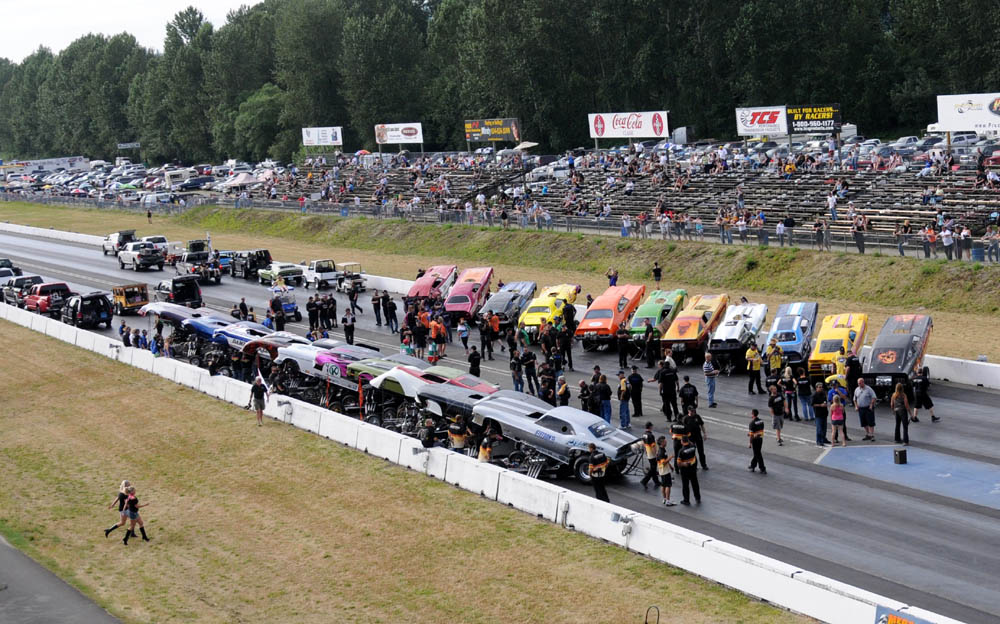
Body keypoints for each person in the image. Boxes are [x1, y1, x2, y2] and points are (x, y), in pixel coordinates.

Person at [676, 437, 700, 506]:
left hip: (685, 470)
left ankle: (686, 500)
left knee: (685, 485)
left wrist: (683, 464)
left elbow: (678, 463)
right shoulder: (693, 447)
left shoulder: (681, 451)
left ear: (682, 441)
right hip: (693, 468)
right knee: (695, 483)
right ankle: (697, 497)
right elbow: (692, 444)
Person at [683, 405, 708, 469]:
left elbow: (702, 425)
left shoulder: (697, 416)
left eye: (693, 411)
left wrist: (705, 434)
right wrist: (687, 440)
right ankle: (694, 466)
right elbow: (684, 431)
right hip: (691, 438)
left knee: (701, 452)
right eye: (691, 411)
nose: (693, 412)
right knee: (692, 453)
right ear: (688, 411)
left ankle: (704, 465)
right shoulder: (685, 418)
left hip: (698, 437)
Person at [853, 377, 878, 441]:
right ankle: (868, 434)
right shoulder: (857, 389)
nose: (859, 384)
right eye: (858, 383)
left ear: (863, 382)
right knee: (863, 423)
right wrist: (856, 406)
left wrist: (871, 405)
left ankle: (872, 435)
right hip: (861, 408)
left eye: (860, 383)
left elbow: (874, 397)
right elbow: (854, 399)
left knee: (870, 422)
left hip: (868, 407)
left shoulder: (868, 389)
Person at [639, 422, 660, 490]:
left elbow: (644, 444)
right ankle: (644, 481)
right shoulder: (651, 435)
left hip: (648, 453)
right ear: (650, 427)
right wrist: (656, 453)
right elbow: (653, 446)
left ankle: (656, 481)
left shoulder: (644, 434)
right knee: (653, 469)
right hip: (652, 454)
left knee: (653, 468)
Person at [655, 436, 675, 505]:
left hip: (662, 470)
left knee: (663, 485)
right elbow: (664, 462)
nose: (666, 442)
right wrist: (671, 457)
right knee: (668, 485)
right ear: (661, 443)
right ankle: (668, 501)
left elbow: (664, 461)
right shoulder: (661, 452)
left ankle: (664, 499)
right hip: (665, 471)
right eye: (664, 441)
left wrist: (670, 466)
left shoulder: (661, 450)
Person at [747, 409, 766, 474]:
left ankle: (762, 468)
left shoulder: (752, 423)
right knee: (757, 453)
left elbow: (751, 435)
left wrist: (750, 443)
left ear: (752, 414)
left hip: (755, 440)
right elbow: (761, 430)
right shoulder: (761, 421)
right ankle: (752, 465)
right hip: (760, 439)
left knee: (758, 454)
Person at [812, 382, 830, 446]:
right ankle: (819, 441)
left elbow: (825, 401)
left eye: (822, 387)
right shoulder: (814, 395)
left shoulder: (823, 394)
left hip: (824, 413)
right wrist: (820, 405)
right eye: (819, 387)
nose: (821, 388)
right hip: (818, 414)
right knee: (819, 429)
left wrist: (826, 404)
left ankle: (824, 438)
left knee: (824, 428)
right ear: (816, 388)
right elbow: (812, 404)